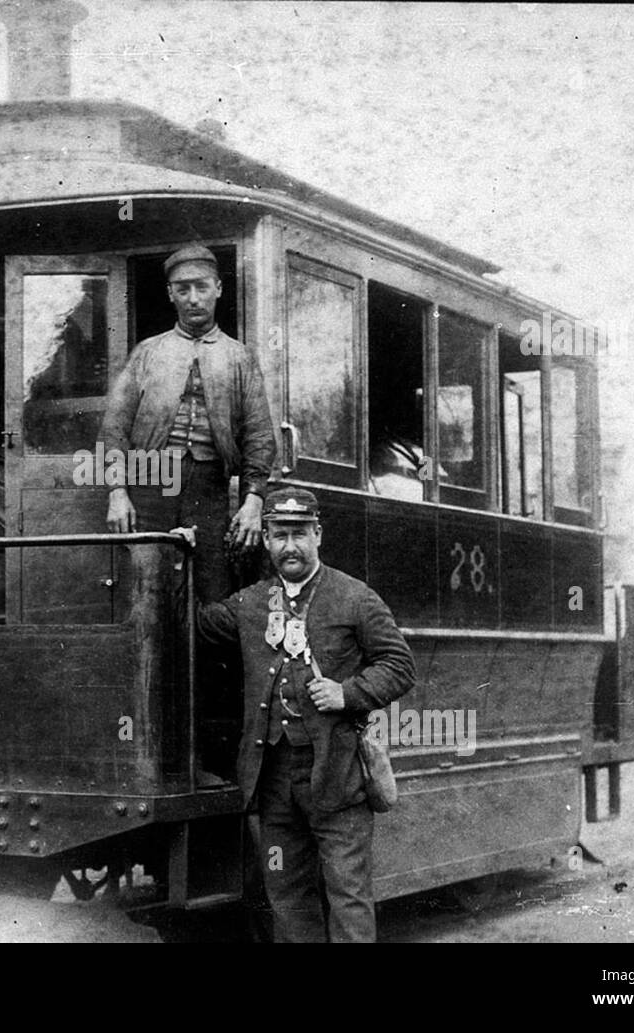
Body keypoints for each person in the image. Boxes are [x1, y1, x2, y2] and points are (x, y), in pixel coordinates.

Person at [195, 487, 416, 941]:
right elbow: (197, 623)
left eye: (299, 534)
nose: (289, 546)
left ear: (318, 535)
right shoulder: (251, 603)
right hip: (273, 779)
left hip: (337, 776)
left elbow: (400, 666)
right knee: (287, 896)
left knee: (348, 897)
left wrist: (348, 692)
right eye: (279, 535)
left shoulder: (355, 597)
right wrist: (183, 556)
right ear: (267, 540)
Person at [100, 243, 275, 603]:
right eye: (183, 290)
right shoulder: (147, 353)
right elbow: (114, 429)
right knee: (148, 594)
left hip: (209, 489)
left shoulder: (240, 358)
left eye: (202, 287)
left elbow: (259, 435)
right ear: (170, 294)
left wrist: (253, 500)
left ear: (218, 289)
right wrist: (118, 493)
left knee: (212, 593)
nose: (193, 298)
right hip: (150, 484)